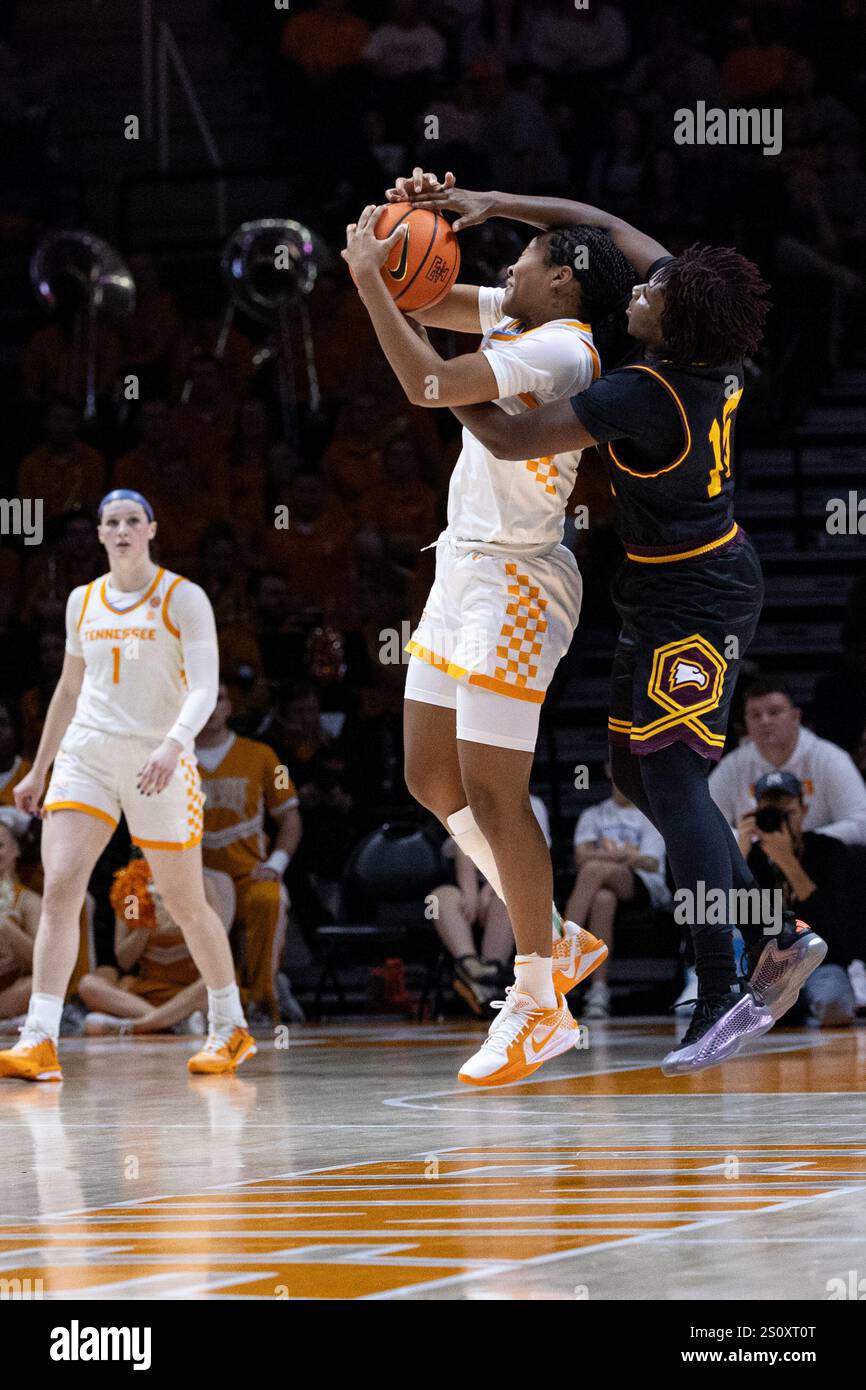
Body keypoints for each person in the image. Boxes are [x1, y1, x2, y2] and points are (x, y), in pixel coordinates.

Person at [405, 172, 826, 1074]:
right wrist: (490, 204)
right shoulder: (691, 334)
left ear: (672, 326)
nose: (641, 287)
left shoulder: (651, 393)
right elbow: (603, 221)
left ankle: (729, 979)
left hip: (699, 600)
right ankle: (768, 931)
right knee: (638, 776)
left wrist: (439, 383)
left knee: (671, 782)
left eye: (652, 293)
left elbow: (512, 438)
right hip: (667, 588)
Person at [343, 173, 636, 1087]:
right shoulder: (521, 321)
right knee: (429, 778)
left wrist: (366, 285)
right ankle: (556, 936)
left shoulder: (562, 352)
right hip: (461, 567)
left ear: (565, 284)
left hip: (517, 582)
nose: (510, 262)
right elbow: (423, 293)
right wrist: (408, 223)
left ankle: (536, 1000)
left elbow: (430, 377)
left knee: (496, 795)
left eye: (528, 256)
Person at [0, 489, 255, 1082]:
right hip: (88, 755)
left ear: (151, 530)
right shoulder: (82, 601)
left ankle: (230, 1025)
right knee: (62, 886)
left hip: (157, 759)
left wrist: (174, 743)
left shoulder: (182, 597)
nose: (121, 530)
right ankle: (39, 1037)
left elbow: (203, 686)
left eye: (131, 521)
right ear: (99, 535)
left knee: (186, 901)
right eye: (110, 522)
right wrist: (40, 769)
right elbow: (67, 690)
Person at [196, 681, 303, 1022]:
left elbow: (290, 817)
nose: (212, 706)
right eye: (203, 699)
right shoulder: (172, 758)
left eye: (220, 698)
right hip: (196, 881)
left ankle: (263, 997)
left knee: (270, 898)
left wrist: (277, 863)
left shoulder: (263, 755)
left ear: (230, 707)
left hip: (248, 873)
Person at [77, 853, 234, 1036]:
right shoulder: (132, 893)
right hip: (146, 991)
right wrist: (146, 925)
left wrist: (184, 918)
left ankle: (138, 1025)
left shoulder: (203, 886)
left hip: (190, 990)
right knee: (89, 985)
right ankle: (172, 1022)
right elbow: (124, 961)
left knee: (214, 982)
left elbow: (216, 955)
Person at [740, 772, 848, 1027]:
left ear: (804, 809)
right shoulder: (750, 859)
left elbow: (834, 927)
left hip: (822, 964)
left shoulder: (830, 851)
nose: (778, 822)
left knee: (835, 1006)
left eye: (786, 814)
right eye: (769, 813)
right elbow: (734, 917)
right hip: (767, 969)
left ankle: (798, 1011)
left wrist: (787, 861)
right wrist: (739, 857)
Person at [433, 794, 554, 1016]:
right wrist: (470, 893)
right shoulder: (459, 799)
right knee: (441, 897)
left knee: (507, 897)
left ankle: (488, 980)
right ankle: (471, 967)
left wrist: (493, 886)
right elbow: (463, 847)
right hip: (468, 883)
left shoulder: (531, 803)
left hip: (511, 878)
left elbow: (527, 855)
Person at [710, 677, 866, 847]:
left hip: (816, 862)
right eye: (755, 715)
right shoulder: (731, 766)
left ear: (795, 716)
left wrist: (801, 841)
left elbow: (861, 824)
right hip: (753, 861)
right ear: (746, 723)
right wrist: (757, 842)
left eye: (774, 712)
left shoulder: (830, 759)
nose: (765, 721)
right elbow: (706, 826)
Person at [567, 769, 670, 1019]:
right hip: (606, 888)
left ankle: (560, 952)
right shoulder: (594, 814)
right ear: (608, 769)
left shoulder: (650, 813)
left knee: (594, 869)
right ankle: (599, 992)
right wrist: (625, 854)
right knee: (603, 899)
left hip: (645, 888)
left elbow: (650, 863)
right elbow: (579, 857)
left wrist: (604, 855)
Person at [0, 811, 40, 1023]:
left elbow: (42, 963)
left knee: (38, 985)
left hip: (11, 991)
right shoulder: (131, 897)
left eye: (0, 846)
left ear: (15, 850)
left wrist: (6, 927)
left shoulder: (28, 901)